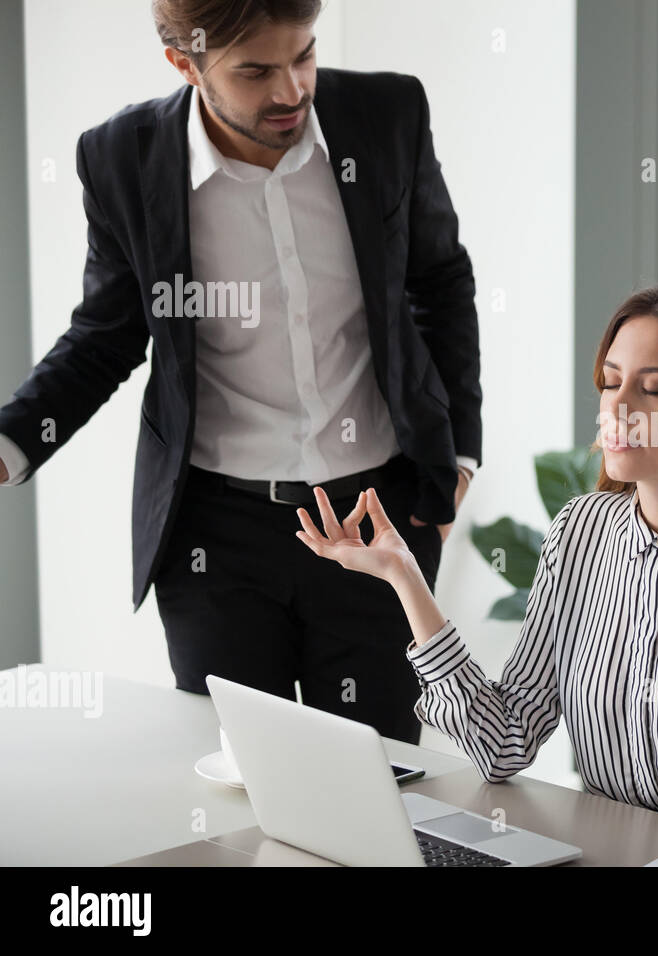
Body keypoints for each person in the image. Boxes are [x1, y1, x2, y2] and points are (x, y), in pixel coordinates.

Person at [0, 0, 482, 745]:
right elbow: (107, 335)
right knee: (244, 786)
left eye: (304, 57)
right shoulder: (122, 157)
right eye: (255, 70)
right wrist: (10, 444)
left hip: (375, 519)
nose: (290, 90)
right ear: (185, 63)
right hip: (215, 538)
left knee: (384, 784)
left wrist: (460, 455)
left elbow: (440, 281)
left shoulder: (386, 114)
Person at [295, 286, 658, 866]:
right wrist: (405, 577)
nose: (617, 408)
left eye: (653, 389)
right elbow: (504, 742)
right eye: (610, 381)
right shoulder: (580, 530)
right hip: (628, 847)